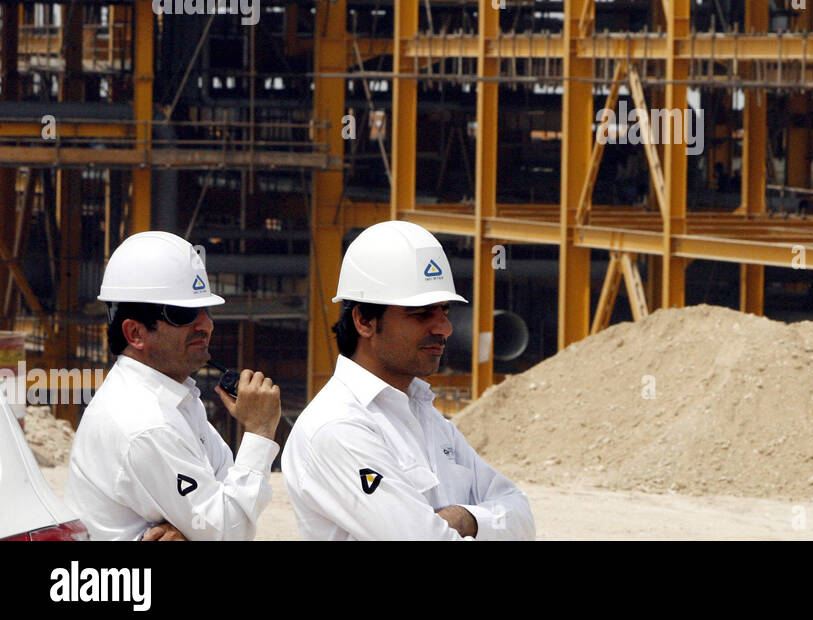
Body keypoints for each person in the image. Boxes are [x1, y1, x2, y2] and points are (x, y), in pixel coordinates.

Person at [282, 220, 535, 541]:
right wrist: (485, 523)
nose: (444, 328)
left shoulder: (427, 417)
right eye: (421, 313)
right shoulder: (338, 427)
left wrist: (465, 517)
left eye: (443, 311)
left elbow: (521, 516)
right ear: (364, 320)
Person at [66, 231, 282, 541]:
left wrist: (198, 528)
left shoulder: (174, 398)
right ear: (135, 333)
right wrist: (260, 431)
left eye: (206, 310)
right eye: (183, 314)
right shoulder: (146, 423)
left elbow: (227, 502)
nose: (206, 324)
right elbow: (231, 530)